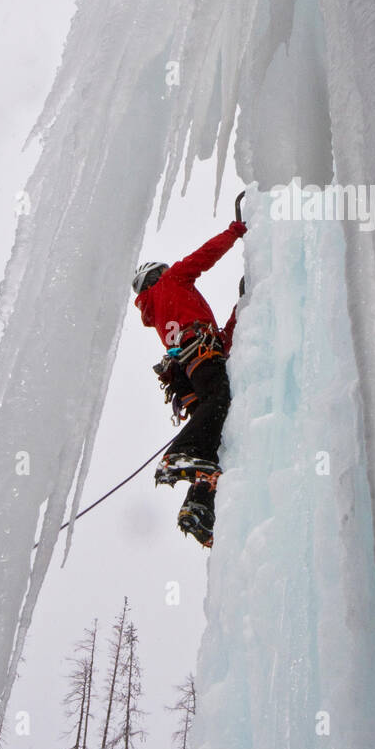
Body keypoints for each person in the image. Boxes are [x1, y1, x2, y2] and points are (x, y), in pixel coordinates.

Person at [133, 217, 246, 546]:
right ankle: (178, 455)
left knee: (214, 435)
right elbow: (204, 256)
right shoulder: (172, 282)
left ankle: (198, 506)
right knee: (220, 401)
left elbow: (222, 341)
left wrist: (242, 309)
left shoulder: (162, 312)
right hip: (201, 354)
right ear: (157, 276)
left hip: (191, 369)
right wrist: (234, 232)